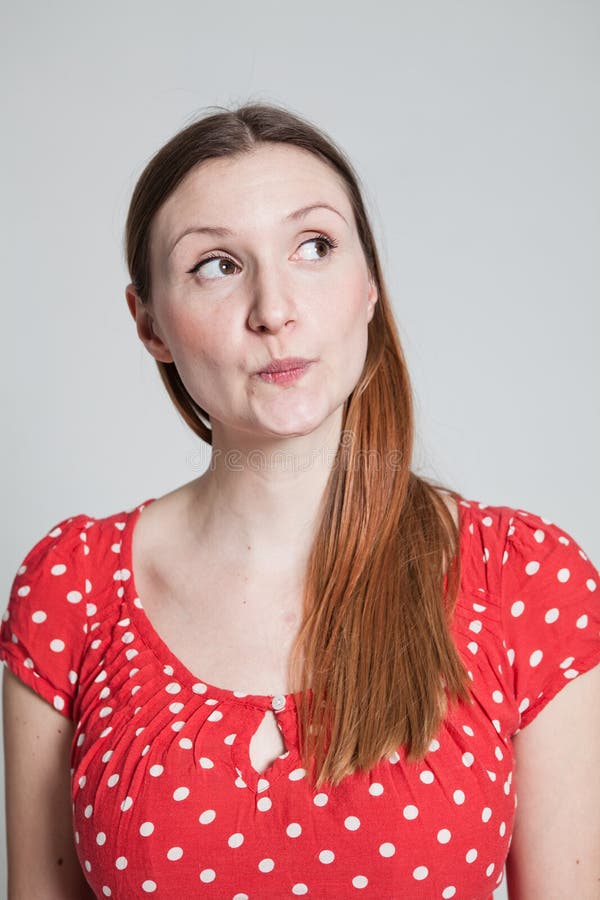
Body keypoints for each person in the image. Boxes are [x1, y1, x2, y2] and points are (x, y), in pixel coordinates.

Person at [1, 102, 599, 900]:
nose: (274, 309)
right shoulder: (71, 590)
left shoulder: (524, 583)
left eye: (314, 247)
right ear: (148, 322)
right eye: (217, 264)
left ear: (369, 286)